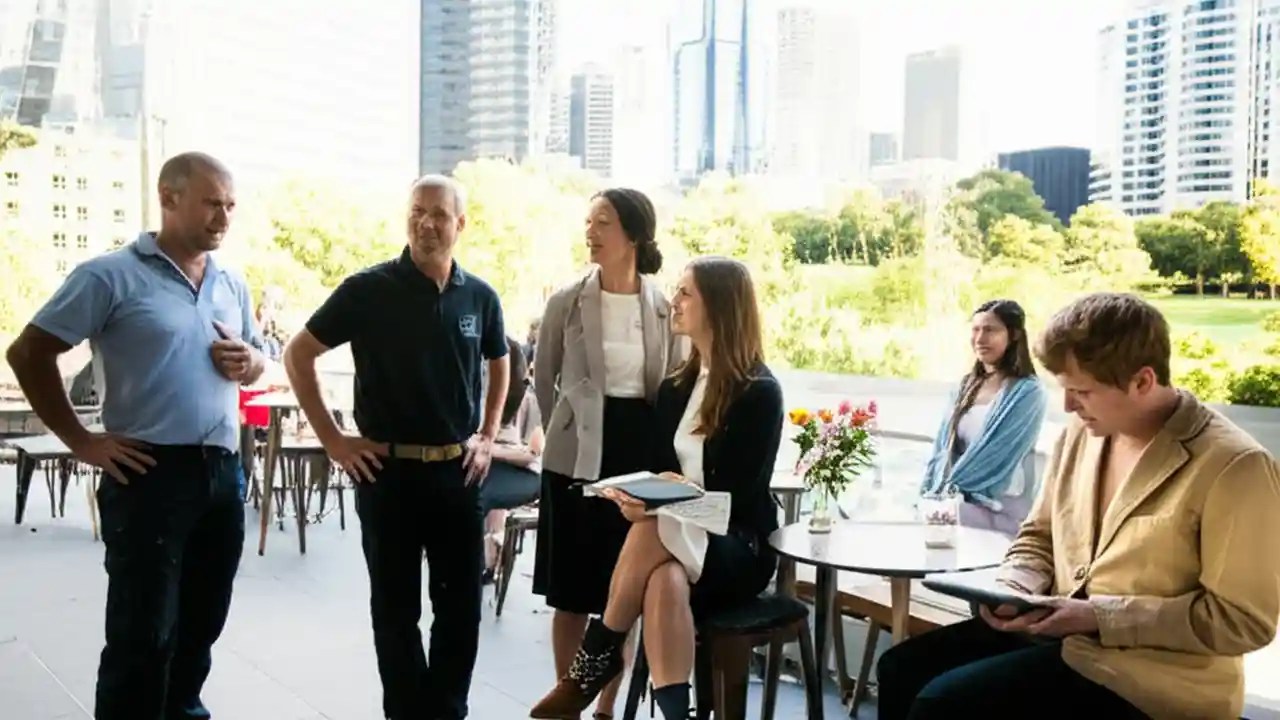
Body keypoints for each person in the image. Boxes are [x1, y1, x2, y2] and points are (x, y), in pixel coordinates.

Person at [876, 292, 1280, 719]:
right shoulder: (1081, 433)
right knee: (900, 668)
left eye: (1081, 391)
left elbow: (1242, 621)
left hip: (1154, 679)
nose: (1068, 405)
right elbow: (1039, 534)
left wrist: (1097, 616)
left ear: (1143, 382)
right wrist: (1015, 587)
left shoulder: (1236, 467)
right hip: (1059, 638)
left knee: (943, 705)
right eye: (1065, 389)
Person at [5, 151, 264, 720]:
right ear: (169, 198)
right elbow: (28, 352)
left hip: (223, 474)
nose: (223, 217)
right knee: (142, 635)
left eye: (230, 205)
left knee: (202, 625)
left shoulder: (231, 283)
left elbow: (259, 359)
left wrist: (251, 361)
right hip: (149, 473)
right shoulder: (109, 275)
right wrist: (81, 441)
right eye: (211, 203)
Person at [282, 174, 509, 720]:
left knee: (461, 610)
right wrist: (334, 440)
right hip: (387, 475)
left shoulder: (480, 296)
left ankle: (447, 712)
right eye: (416, 212)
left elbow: (501, 362)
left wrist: (487, 434)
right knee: (395, 611)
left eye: (439, 214)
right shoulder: (368, 290)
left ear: (461, 224)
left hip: (457, 474)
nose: (426, 224)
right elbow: (298, 353)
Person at [530, 256, 783, 720]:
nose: (674, 301)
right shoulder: (676, 388)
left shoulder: (759, 393)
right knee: (665, 576)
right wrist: (641, 500)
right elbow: (659, 473)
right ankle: (673, 713)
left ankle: (596, 656)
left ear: (719, 307)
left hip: (735, 546)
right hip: (673, 542)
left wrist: (664, 507)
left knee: (652, 531)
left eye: (686, 293)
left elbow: (735, 505)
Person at [532, 188, 683, 720]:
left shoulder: (664, 306)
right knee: (571, 592)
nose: (591, 232)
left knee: (624, 589)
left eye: (604, 222)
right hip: (577, 454)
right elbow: (544, 379)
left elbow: (676, 383)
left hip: (640, 450)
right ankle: (568, 701)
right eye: (589, 222)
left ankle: (607, 708)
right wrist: (564, 432)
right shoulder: (566, 301)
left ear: (634, 234)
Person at [919, 299, 1047, 536]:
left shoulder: (1028, 393)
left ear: (1014, 335)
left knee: (930, 519)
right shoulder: (966, 386)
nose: (980, 338)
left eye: (990, 330)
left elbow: (997, 453)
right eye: (975, 329)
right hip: (958, 497)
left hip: (999, 504)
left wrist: (949, 493)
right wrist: (933, 490)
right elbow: (943, 449)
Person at [478, 336, 544, 583]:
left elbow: (532, 453)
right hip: (488, 464)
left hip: (525, 472)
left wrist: (490, 449)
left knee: (480, 491)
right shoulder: (476, 396)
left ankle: (485, 557)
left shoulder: (530, 399)